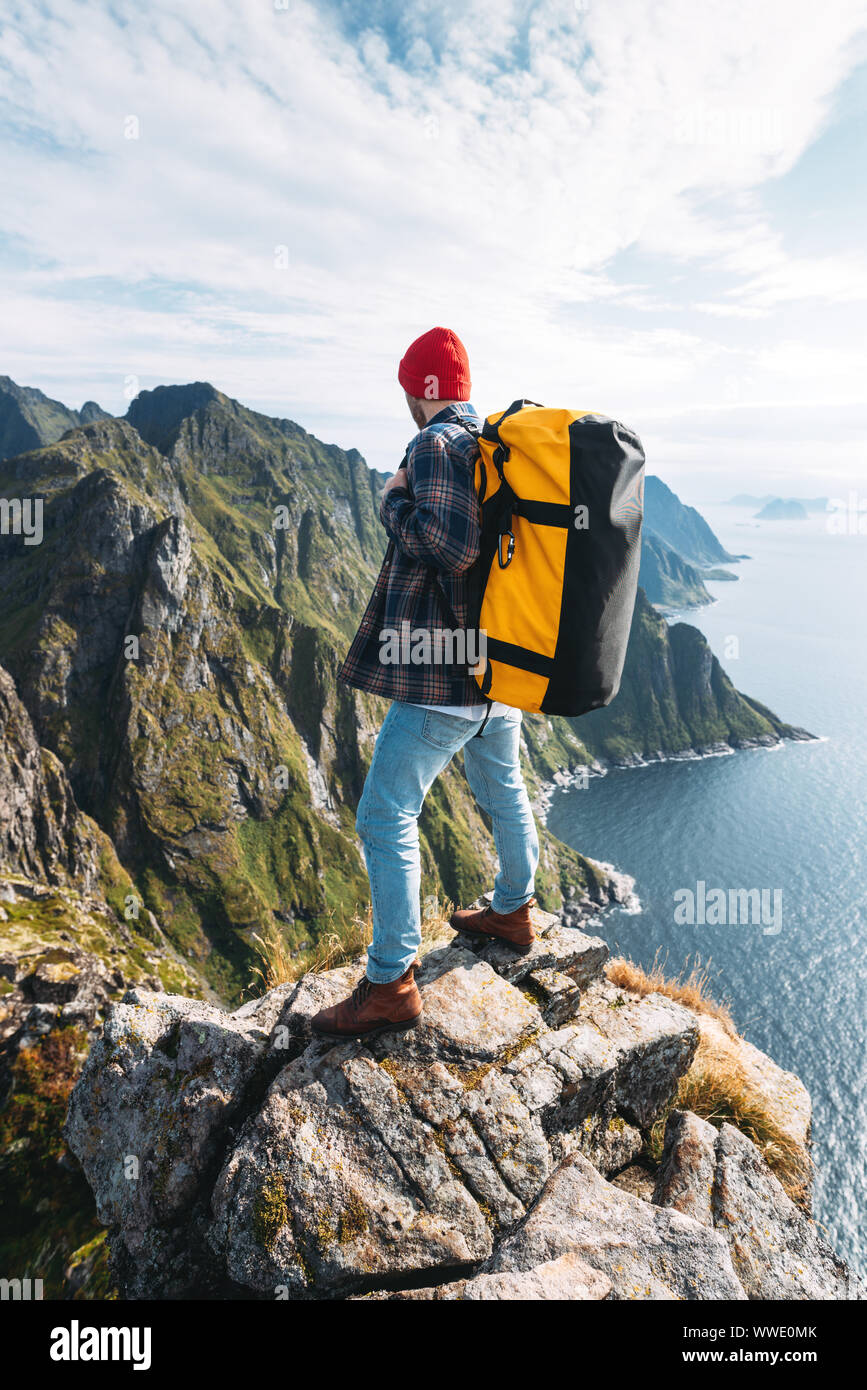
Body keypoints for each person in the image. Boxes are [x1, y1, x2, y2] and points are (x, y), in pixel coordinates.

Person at [311, 327, 539, 1039]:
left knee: (384, 814)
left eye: (408, 387)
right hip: (498, 664)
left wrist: (392, 501)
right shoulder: (498, 444)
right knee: (503, 789)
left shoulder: (435, 446)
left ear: (422, 390)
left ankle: (390, 982)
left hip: (444, 671)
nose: (407, 400)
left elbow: (449, 543)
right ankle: (512, 909)